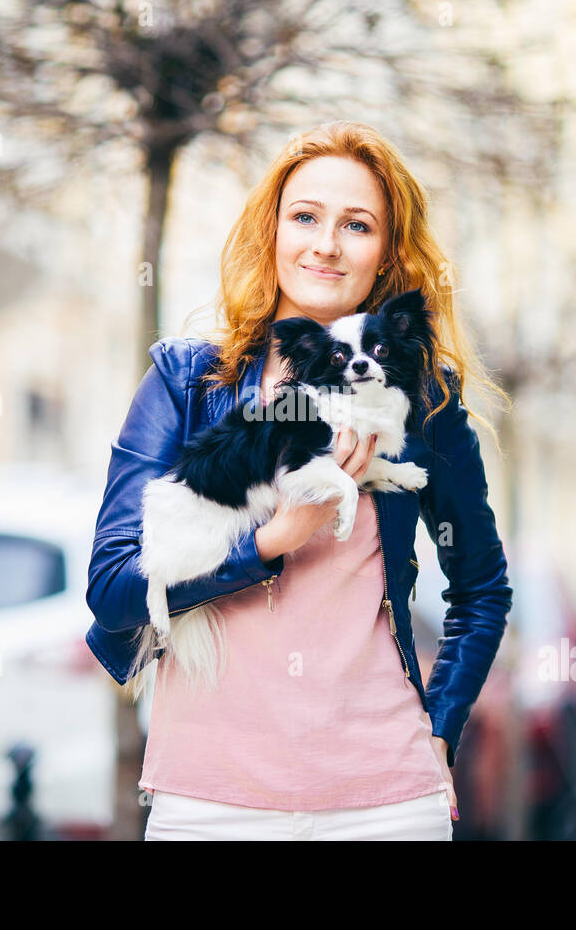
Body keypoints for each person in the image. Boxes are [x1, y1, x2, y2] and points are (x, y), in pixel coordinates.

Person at [84, 119, 513, 840]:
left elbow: (482, 589)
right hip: (211, 801)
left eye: (358, 225)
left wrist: (441, 728)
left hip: (384, 801)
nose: (326, 243)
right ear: (273, 232)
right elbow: (114, 589)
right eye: (306, 217)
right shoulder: (189, 383)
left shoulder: (422, 400)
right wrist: (268, 543)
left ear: (386, 256)